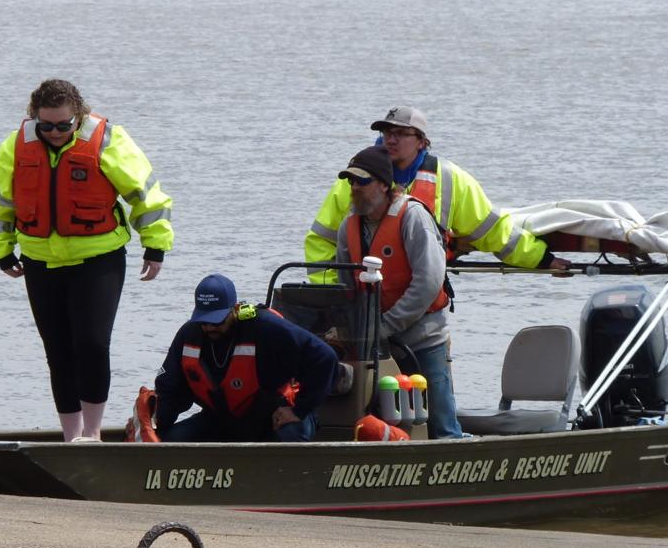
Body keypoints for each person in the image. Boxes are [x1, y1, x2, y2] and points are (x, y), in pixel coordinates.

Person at [0, 78, 174, 442]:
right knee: (58, 350)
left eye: (63, 125)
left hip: (98, 259)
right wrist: (1, 251)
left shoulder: (107, 140)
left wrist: (156, 245)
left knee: (92, 343)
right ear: (34, 118)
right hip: (39, 261)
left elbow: (145, 194)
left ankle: (94, 433)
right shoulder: (15, 147)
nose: (54, 132)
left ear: (78, 116)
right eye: (46, 125)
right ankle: (72, 437)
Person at [305, 105, 570, 281]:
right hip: (362, 300)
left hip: (421, 302)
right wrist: (334, 292)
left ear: (422, 141)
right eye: (386, 132)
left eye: (400, 133)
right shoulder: (354, 178)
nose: (391, 139)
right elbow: (321, 241)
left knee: (431, 367)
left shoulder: (449, 179)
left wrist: (542, 259)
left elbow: (492, 230)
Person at [333, 146, 462, 440]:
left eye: (361, 181)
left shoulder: (412, 216)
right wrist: (345, 327)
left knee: (440, 426)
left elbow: (429, 281)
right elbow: (345, 287)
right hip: (371, 345)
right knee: (372, 421)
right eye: (350, 181)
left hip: (423, 339)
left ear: (382, 184)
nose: (354, 188)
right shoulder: (348, 226)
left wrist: (386, 325)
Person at [154, 274, 338, 442]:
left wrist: (299, 410)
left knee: (289, 435)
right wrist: (155, 423)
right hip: (222, 421)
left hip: (275, 416)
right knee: (169, 439)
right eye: (204, 321)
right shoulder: (188, 335)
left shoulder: (265, 327)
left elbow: (325, 358)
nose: (209, 327)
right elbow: (169, 390)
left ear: (235, 309)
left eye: (217, 321)